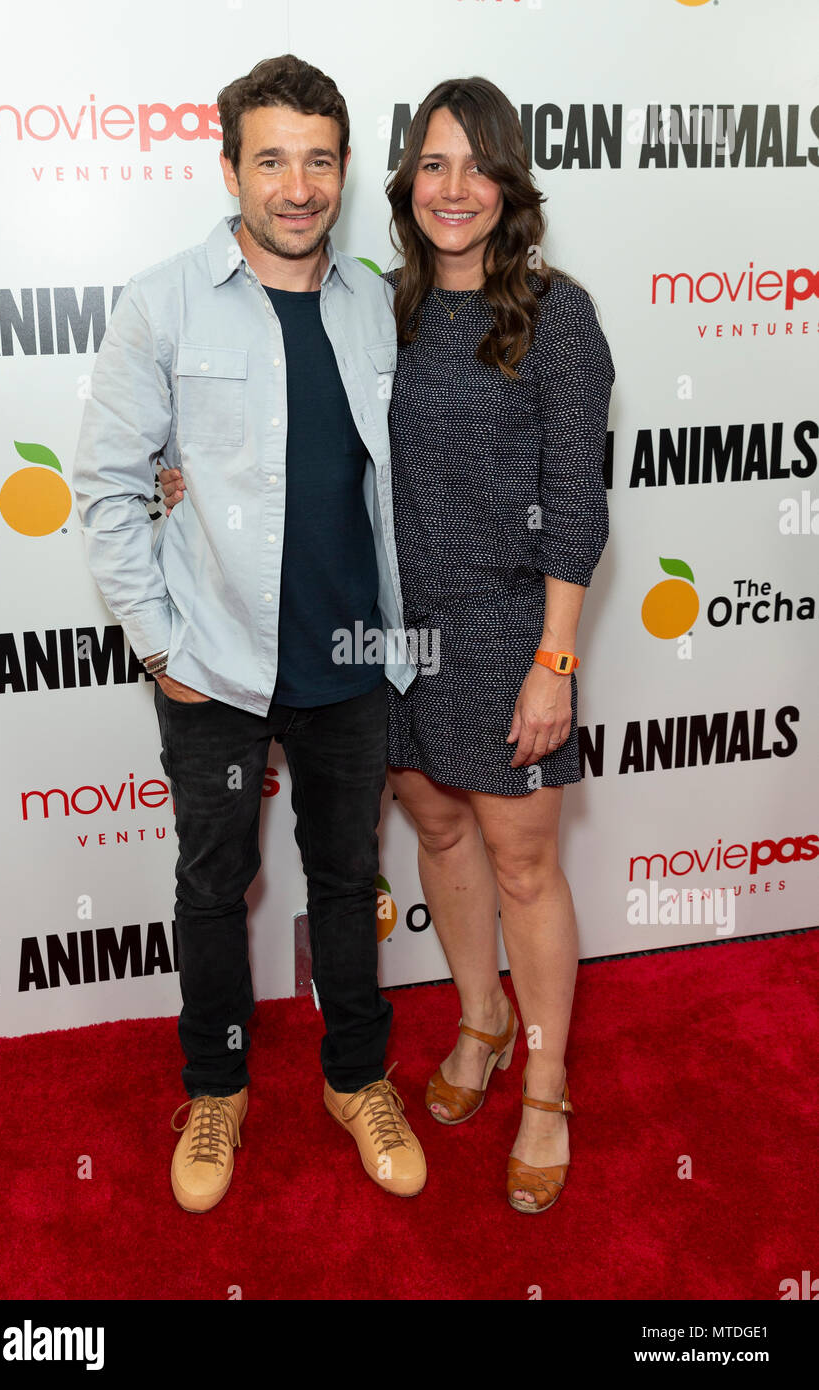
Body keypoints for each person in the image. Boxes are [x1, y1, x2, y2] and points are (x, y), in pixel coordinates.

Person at [73, 54, 427, 1213]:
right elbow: (110, 484)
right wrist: (160, 647)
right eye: (269, 158)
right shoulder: (160, 301)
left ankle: (355, 1075)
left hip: (350, 661)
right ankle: (216, 1086)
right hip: (215, 663)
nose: (295, 185)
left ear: (340, 173)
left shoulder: (377, 300)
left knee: (344, 879)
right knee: (212, 886)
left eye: (317, 160)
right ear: (228, 167)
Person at [382, 76, 615, 1213]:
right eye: (432, 164)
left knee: (522, 861)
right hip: (391, 627)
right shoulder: (380, 308)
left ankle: (546, 1080)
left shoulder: (555, 313)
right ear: (407, 183)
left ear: (508, 183)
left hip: (507, 624)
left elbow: (576, 501)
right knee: (434, 821)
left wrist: (553, 657)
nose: (454, 187)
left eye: (476, 164)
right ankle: (478, 1019)